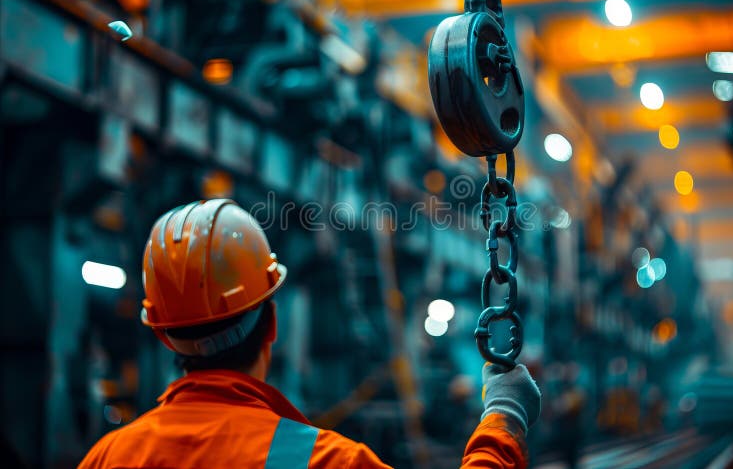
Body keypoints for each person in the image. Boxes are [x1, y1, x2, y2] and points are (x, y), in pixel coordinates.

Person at [78, 199, 541, 468]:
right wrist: (503, 418)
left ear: (162, 335)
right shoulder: (324, 460)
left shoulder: (106, 456)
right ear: (272, 324)